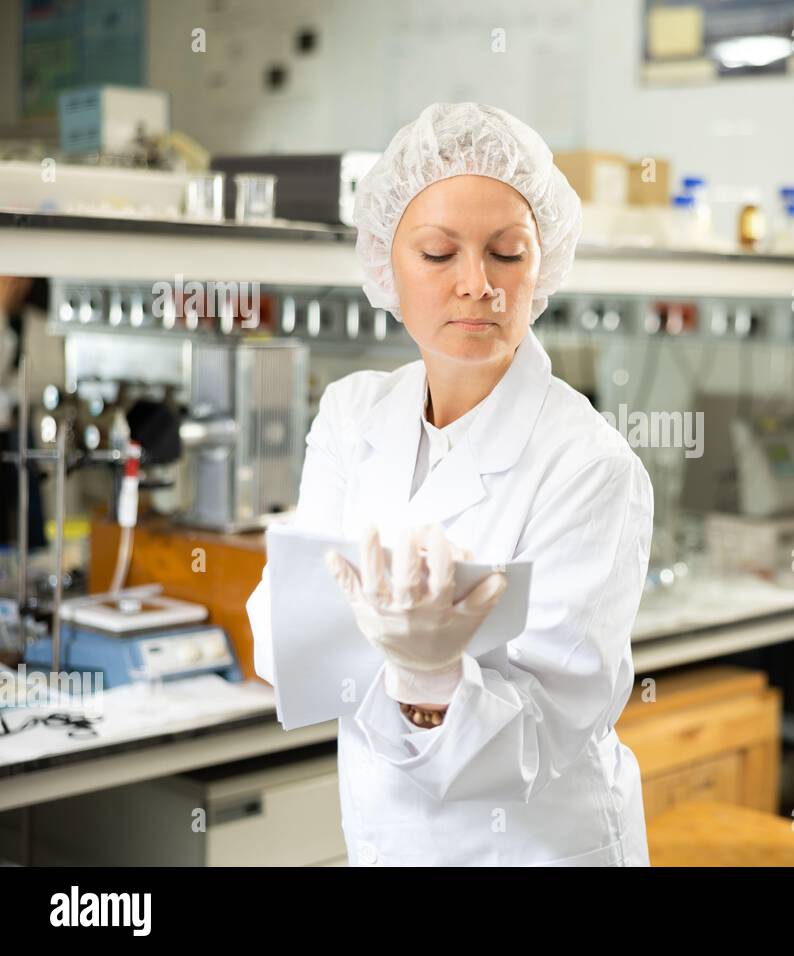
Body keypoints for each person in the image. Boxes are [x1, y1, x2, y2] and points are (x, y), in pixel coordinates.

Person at [245, 102, 654, 866]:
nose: (478, 285)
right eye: (438, 253)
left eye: (508, 253)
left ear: (545, 264)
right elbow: (291, 643)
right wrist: (406, 670)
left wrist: (430, 676)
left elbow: (537, 742)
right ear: (386, 264)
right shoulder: (352, 414)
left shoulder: (590, 466)